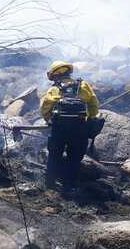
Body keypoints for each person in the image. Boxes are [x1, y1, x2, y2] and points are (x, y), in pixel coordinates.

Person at [40, 61, 99, 192]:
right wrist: (89, 117)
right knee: (75, 157)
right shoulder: (83, 85)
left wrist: (49, 120)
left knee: (54, 154)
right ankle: (70, 185)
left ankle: (50, 183)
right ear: (69, 72)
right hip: (79, 128)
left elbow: (45, 109)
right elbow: (94, 105)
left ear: (54, 76)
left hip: (59, 128)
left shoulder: (54, 89)